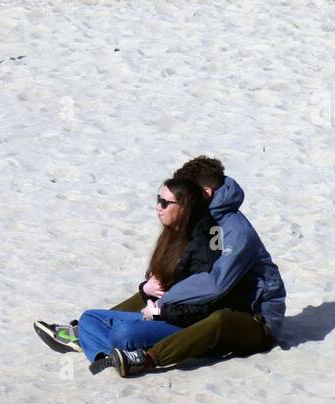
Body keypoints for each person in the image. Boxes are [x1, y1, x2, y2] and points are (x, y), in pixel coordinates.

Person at [107, 156, 287, 377]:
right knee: (162, 284)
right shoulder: (203, 217)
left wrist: (164, 303)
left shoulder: (235, 230)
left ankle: (149, 359)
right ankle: (101, 323)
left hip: (256, 318)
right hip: (221, 302)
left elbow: (216, 283)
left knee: (219, 319)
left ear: (207, 193)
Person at [34, 177, 217, 367]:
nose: (158, 208)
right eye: (157, 200)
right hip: (155, 315)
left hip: (179, 325)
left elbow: (202, 309)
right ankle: (110, 356)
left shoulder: (201, 249)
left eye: (165, 203)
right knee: (89, 318)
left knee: (123, 332)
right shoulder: (170, 237)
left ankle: (110, 349)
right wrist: (146, 289)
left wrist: (159, 313)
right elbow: (155, 289)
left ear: (184, 207)